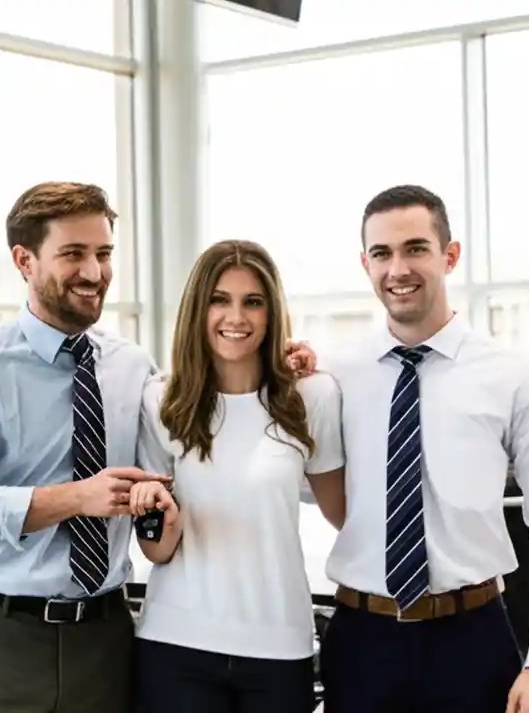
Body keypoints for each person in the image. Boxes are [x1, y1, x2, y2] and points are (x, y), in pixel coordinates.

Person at [0, 182, 318, 713]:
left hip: (106, 638)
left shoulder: (133, 370)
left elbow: (207, 407)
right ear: (24, 260)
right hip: (2, 638)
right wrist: (76, 498)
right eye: (73, 254)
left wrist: (280, 358)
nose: (94, 272)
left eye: (103, 253)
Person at [318, 184, 529, 713]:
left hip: (474, 640)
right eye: (382, 253)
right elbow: (306, 486)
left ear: (450, 254)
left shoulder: (512, 376)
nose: (398, 268)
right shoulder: (333, 376)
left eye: (415, 248)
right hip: (360, 642)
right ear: (365, 263)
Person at [129, 239, 347, 713]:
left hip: (278, 646)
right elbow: (156, 549)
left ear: (272, 313)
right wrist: (158, 515)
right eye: (219, 300)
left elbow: (345, 515)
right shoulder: (160, 401)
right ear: (197, 310)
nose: (237, 318)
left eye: (253, 302)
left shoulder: (311, 397)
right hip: (176, 642)